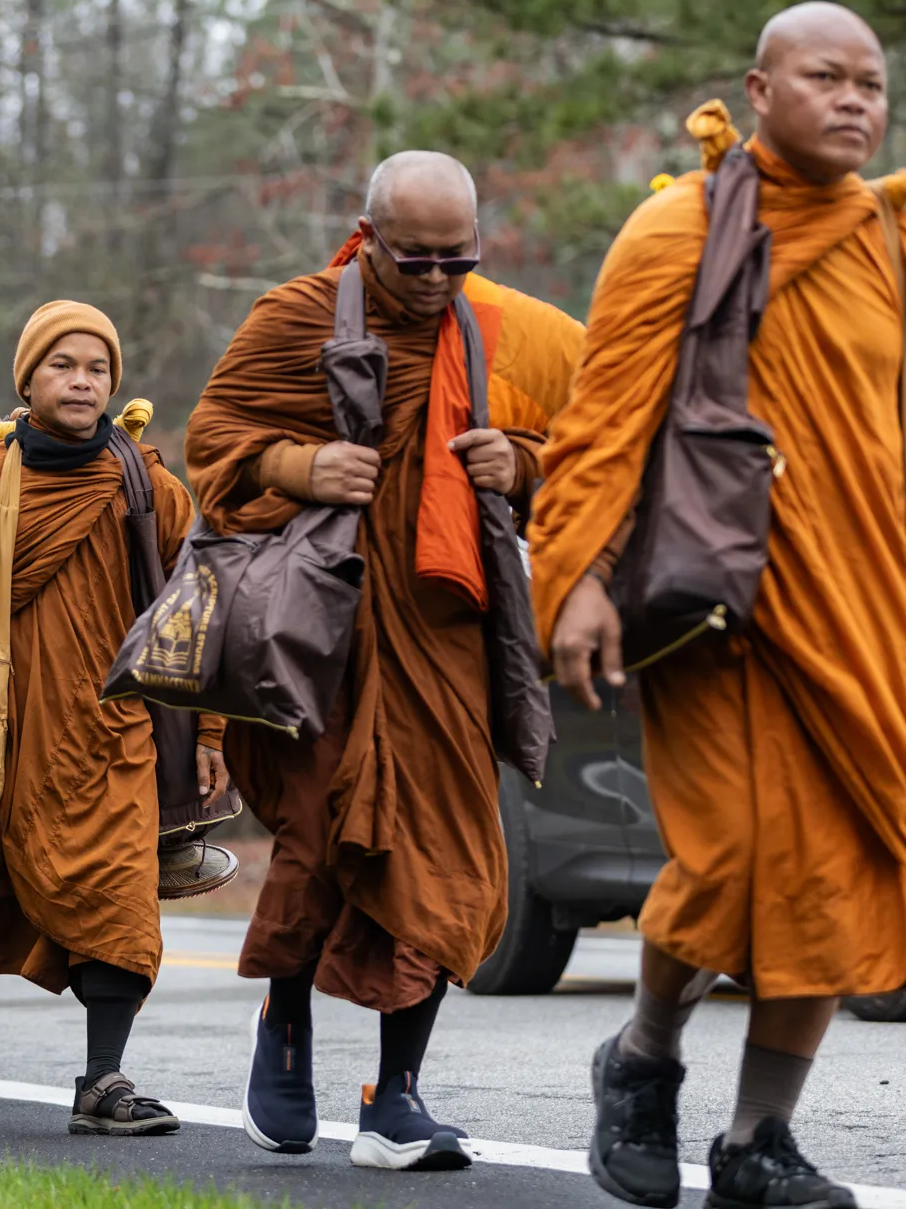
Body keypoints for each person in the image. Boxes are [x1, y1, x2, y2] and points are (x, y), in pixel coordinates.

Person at [534, 3, 904, 1209]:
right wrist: (577, 575)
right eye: (825, 77)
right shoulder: (676, 228)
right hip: (721, 603)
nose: (855, 99)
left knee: (835, 869)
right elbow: (601, 423)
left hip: (865, 602)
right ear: (758, 86)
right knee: (736, 854)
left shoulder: (878, 235)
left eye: (873, 83)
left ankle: (758, 1139)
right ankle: (642, 1057)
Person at [184, 152, 583, 1169]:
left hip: (445, 638)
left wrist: (521, 463)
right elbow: (214, 437)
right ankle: (284, 1026)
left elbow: (583, 453)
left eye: (463, 259)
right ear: (366, 236)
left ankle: (395, 1094)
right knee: (327, 839)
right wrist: (299, 464)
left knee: (451, 858)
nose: (443, 280)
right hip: (325, 635)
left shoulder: (495, 330)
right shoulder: (297, 316)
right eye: (420, 262)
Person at [0, 301, 227, 1136]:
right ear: (26, 382)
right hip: (9, 736)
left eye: (97, 369)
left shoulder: (143, 478)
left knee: (120, 902)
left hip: (116, 736)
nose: (82, 382)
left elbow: (197, 608)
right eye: (63, 367)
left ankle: (102, 1081)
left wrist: (212, 732)